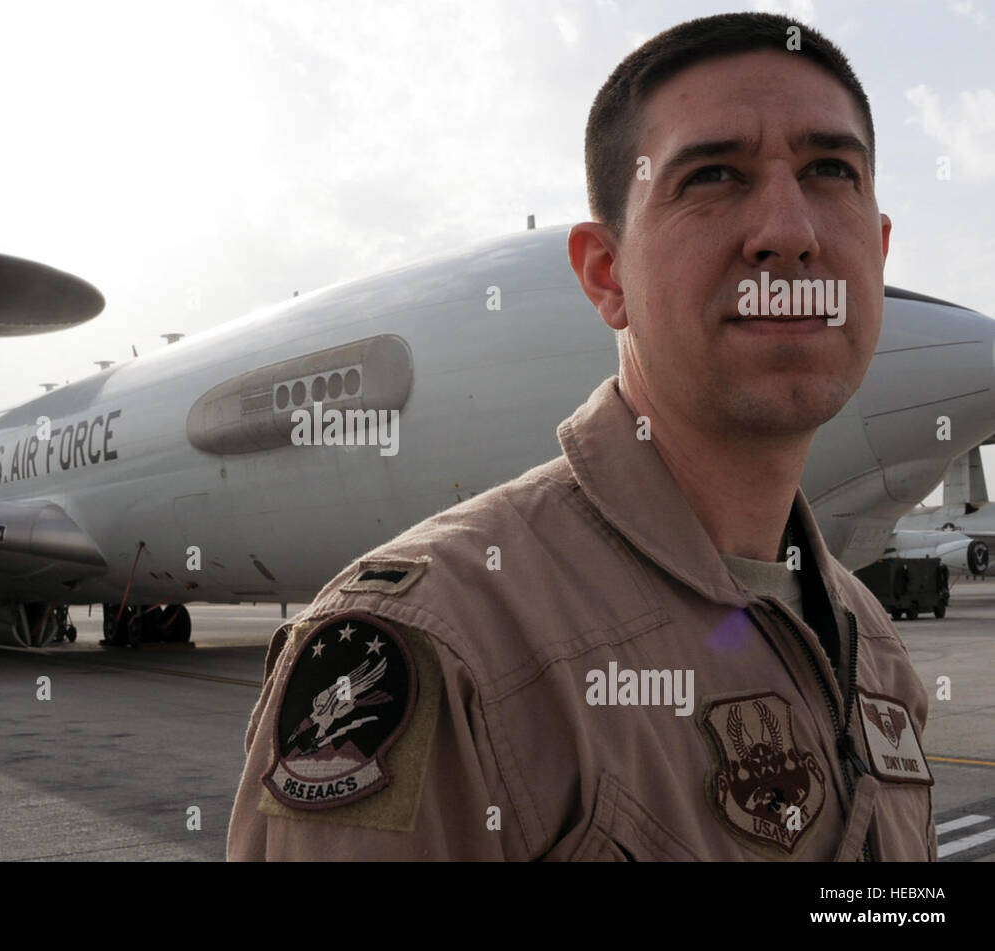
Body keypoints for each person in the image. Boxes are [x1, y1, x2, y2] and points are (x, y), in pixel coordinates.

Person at [227, 11, 937, 861]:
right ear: (607, 275)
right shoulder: (434, 652)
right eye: (713, 175)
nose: (789, 231)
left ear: (881, 249)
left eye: (831, 171)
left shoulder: (873, 650)